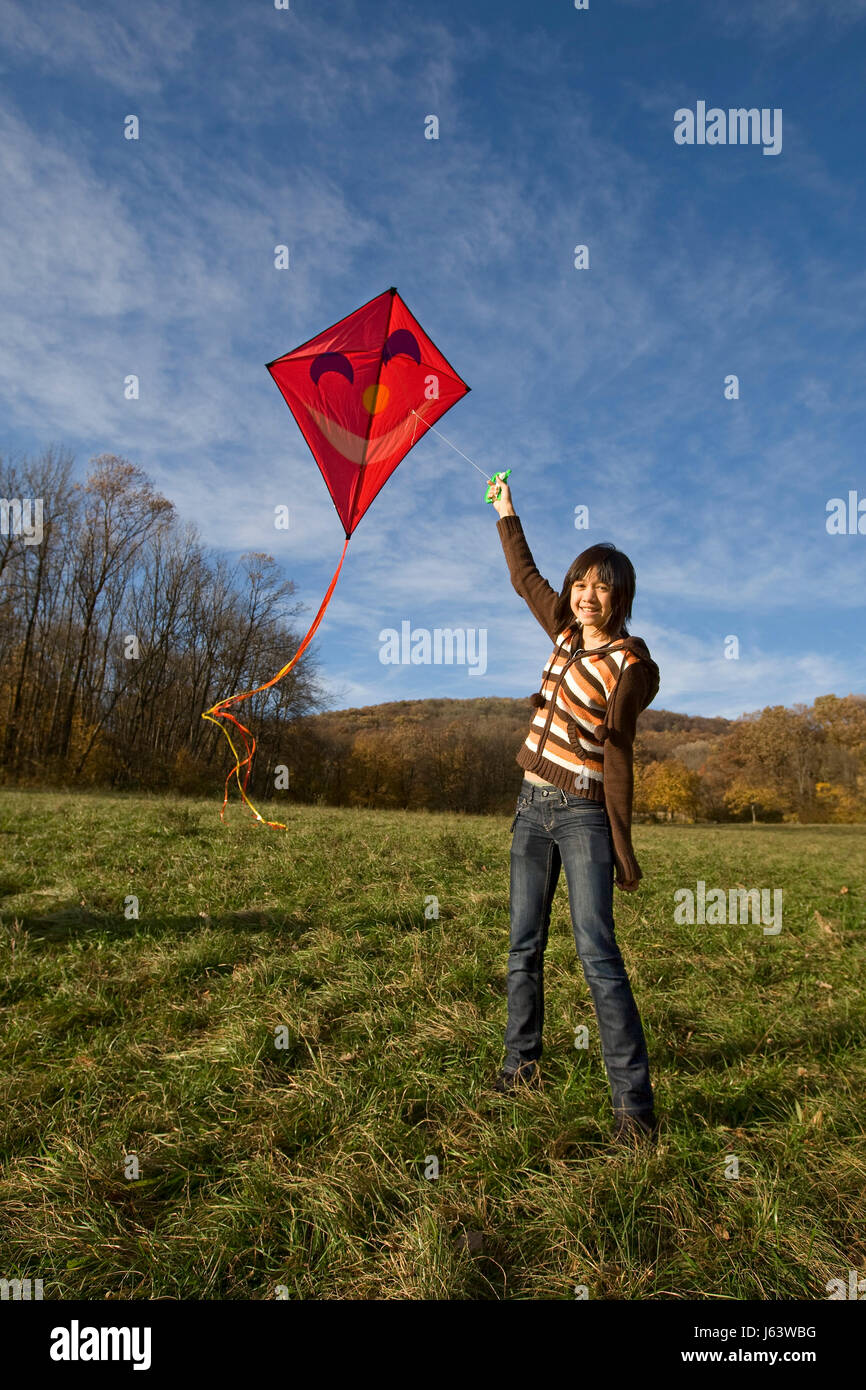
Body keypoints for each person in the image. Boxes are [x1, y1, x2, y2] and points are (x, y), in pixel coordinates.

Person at [489, 479, 660, 1144]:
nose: (587, 595)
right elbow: (523, 575)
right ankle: (519, 1067)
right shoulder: (561, 632)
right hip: (531, 808)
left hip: (584, 815)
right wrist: (506, 510)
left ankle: (633, 1108)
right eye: (581, 582)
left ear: (620, 597)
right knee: (522, 945)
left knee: (597, 952)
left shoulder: (627, 662)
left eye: (601, 586)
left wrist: (623, 841)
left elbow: (620, 746)